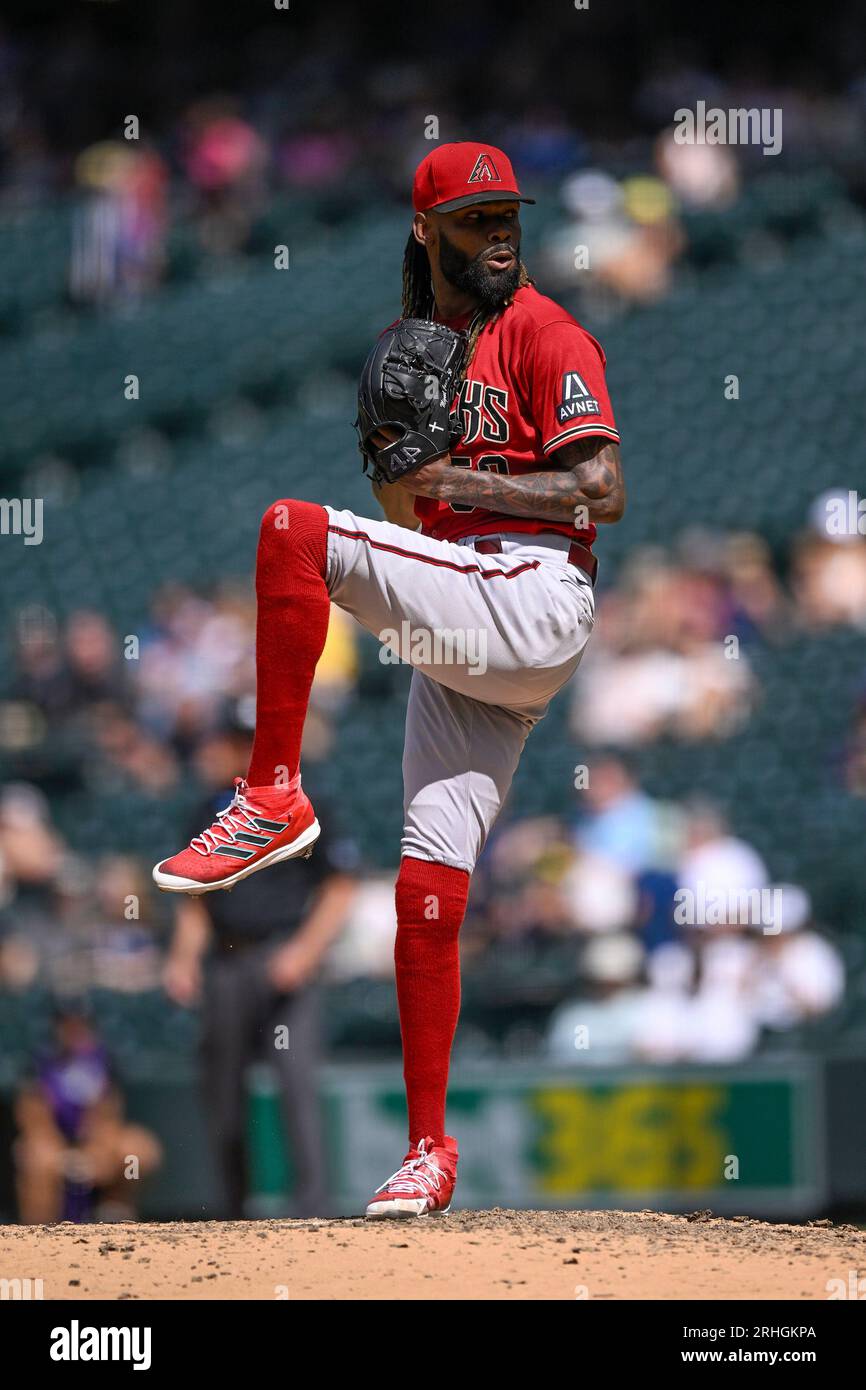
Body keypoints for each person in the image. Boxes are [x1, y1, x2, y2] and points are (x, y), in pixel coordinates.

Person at [153, 141, 625, 1217]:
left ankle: (271, 790)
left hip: (534, 594)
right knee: (425, 890)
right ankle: (426, 1151)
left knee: (291, 532)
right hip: (467, 625)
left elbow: (603, 485)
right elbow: (420, 516)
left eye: (507, 214)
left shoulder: (543, 330)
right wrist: (407, 477)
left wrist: (440, 472)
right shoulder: (421, 350)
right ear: (428, 233)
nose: (499, 231)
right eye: (475, 218)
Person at [163, 723, 358, 1217]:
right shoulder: (206, 810)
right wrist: (183, 959)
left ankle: (313, 1211)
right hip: (228, 964)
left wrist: (304, 952)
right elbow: (194, 899)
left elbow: (340, 887)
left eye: (229, 741)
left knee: (298, 1089)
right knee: (223, 1097)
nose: (216, 748)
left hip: (284, 959)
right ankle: (232, 1214)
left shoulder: (306, 804)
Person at [14, 1005, 161, 1223]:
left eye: (82, 1025)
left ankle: (119, 1210)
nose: (76, 1031)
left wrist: (98, 1155)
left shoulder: (105, 1061)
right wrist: (65, 1159)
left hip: (96, 1148)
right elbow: (34, 1119)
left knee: (136, 1155)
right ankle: (40, 1230)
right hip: (56, 1146)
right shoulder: (41, 1063)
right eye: (69, 1025)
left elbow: (109, 1116)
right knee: (36, 1156)